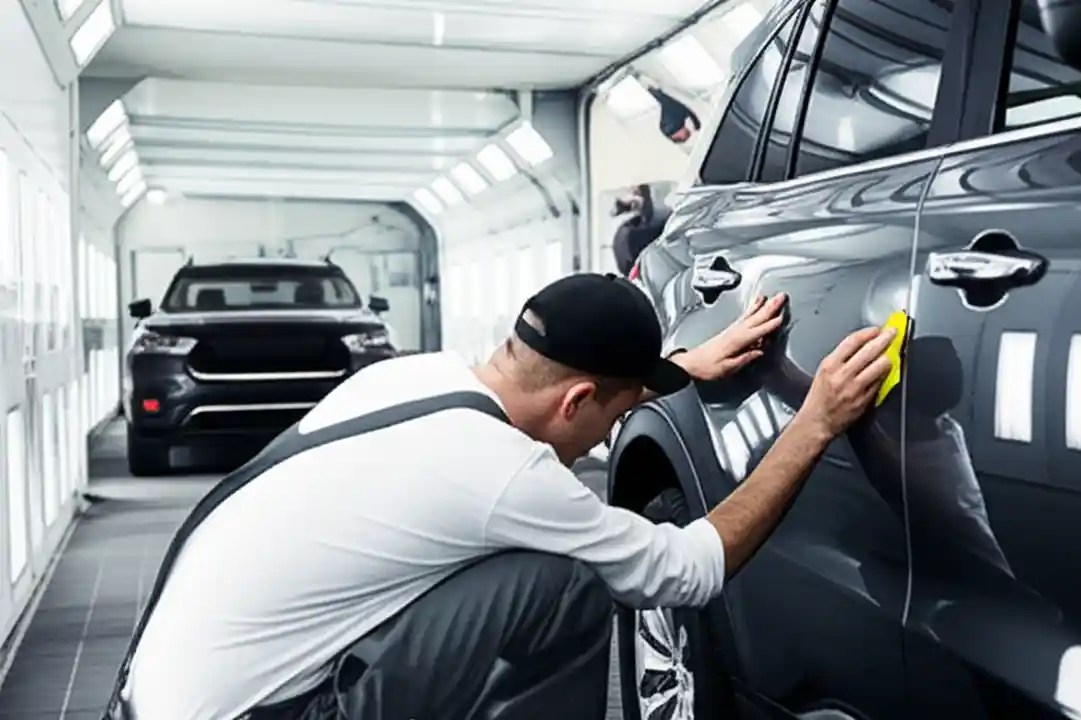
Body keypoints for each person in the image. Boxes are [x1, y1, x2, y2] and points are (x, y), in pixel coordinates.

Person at [108, 273, 895, 720]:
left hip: (153, 697)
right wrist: (815, 422)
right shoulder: (508, 474)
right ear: (578, 398)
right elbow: (684, 571)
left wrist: (673, 365)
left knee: (531, 564)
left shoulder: (407, 376)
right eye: (615, 417)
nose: (600, 444)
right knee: (569, 577)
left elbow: (572, 393)